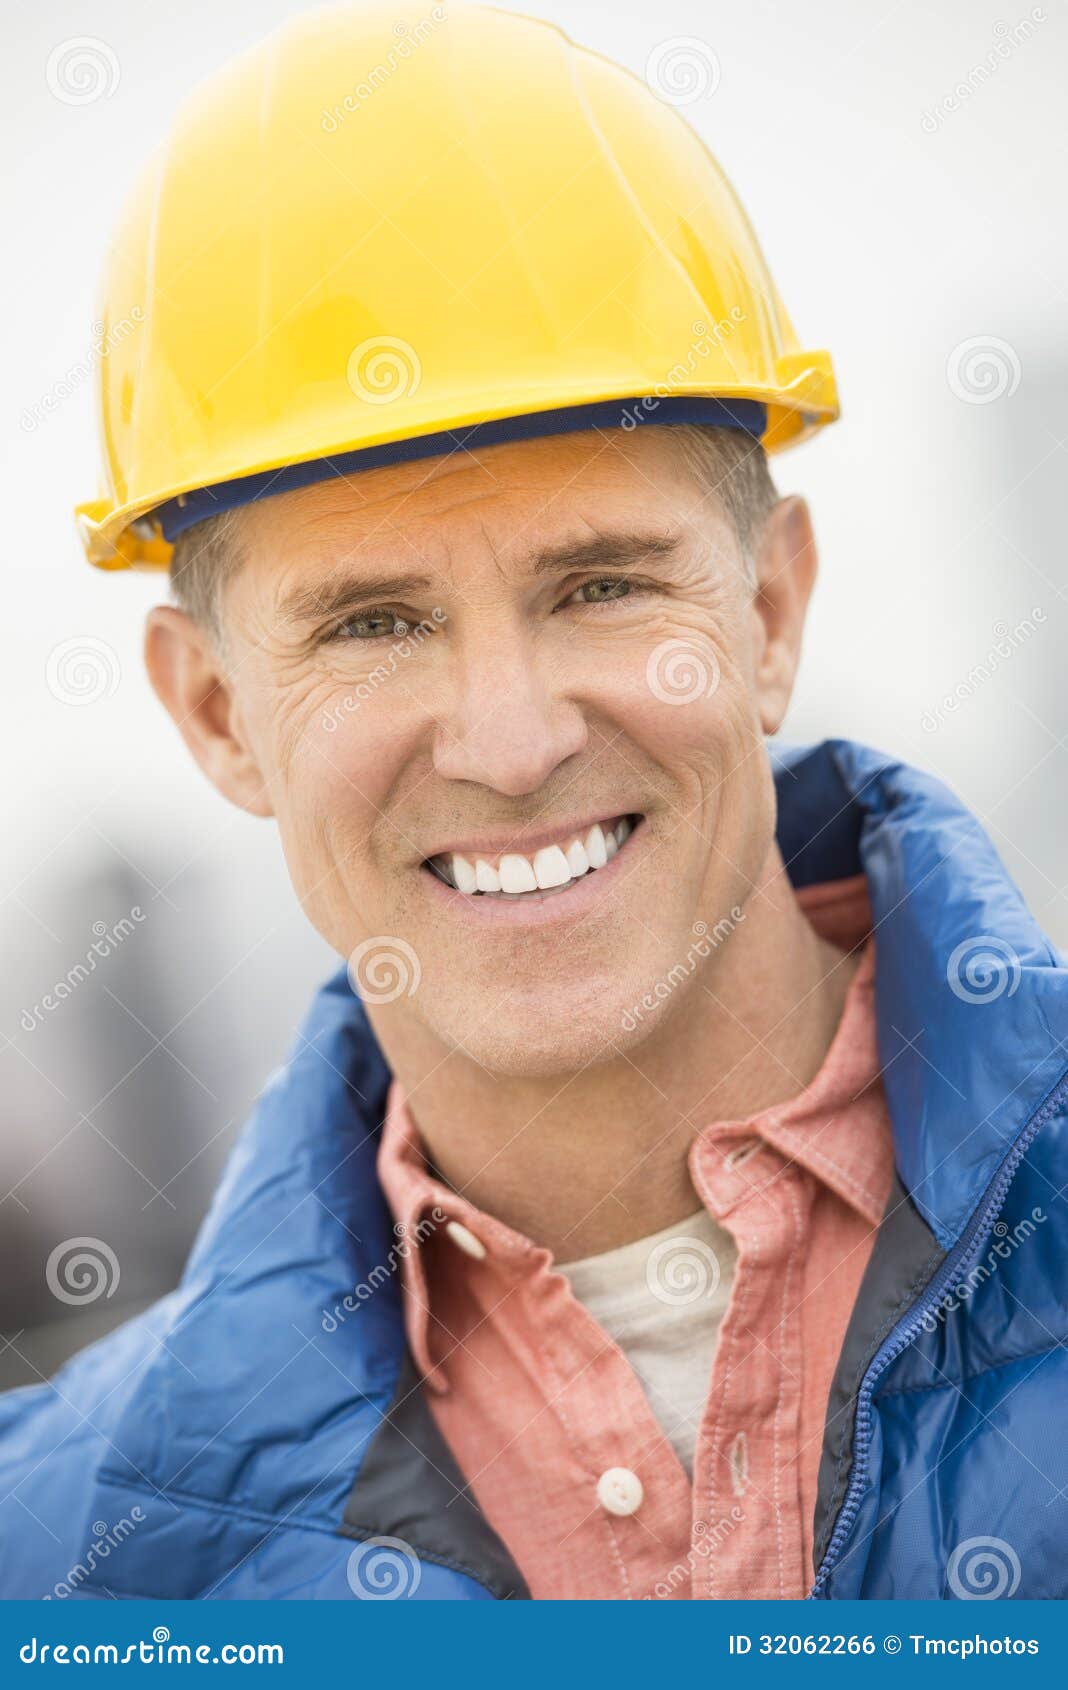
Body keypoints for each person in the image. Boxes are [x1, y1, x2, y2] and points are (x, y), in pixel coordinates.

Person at [2, 2, 1065, 1602]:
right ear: (218, 714)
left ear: (769, 616)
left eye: (602, 584)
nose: (508, 741)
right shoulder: (62, 1562)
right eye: (373, 623)